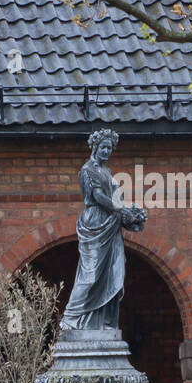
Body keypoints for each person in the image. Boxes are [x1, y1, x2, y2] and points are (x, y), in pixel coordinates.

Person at [60, 129, 146, 330]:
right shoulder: (88, 170)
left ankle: (104, 321)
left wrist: (131, 216)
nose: (107, 151)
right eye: (103, 147)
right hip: (95, 222)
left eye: (110, 148)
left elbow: (116, 200)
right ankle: (70, 318)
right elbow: (98, 197)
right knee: (91, 274)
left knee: (114, 272)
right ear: (95, 147)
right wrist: (122, 210)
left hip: (112, 224)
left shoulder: (107, 172)